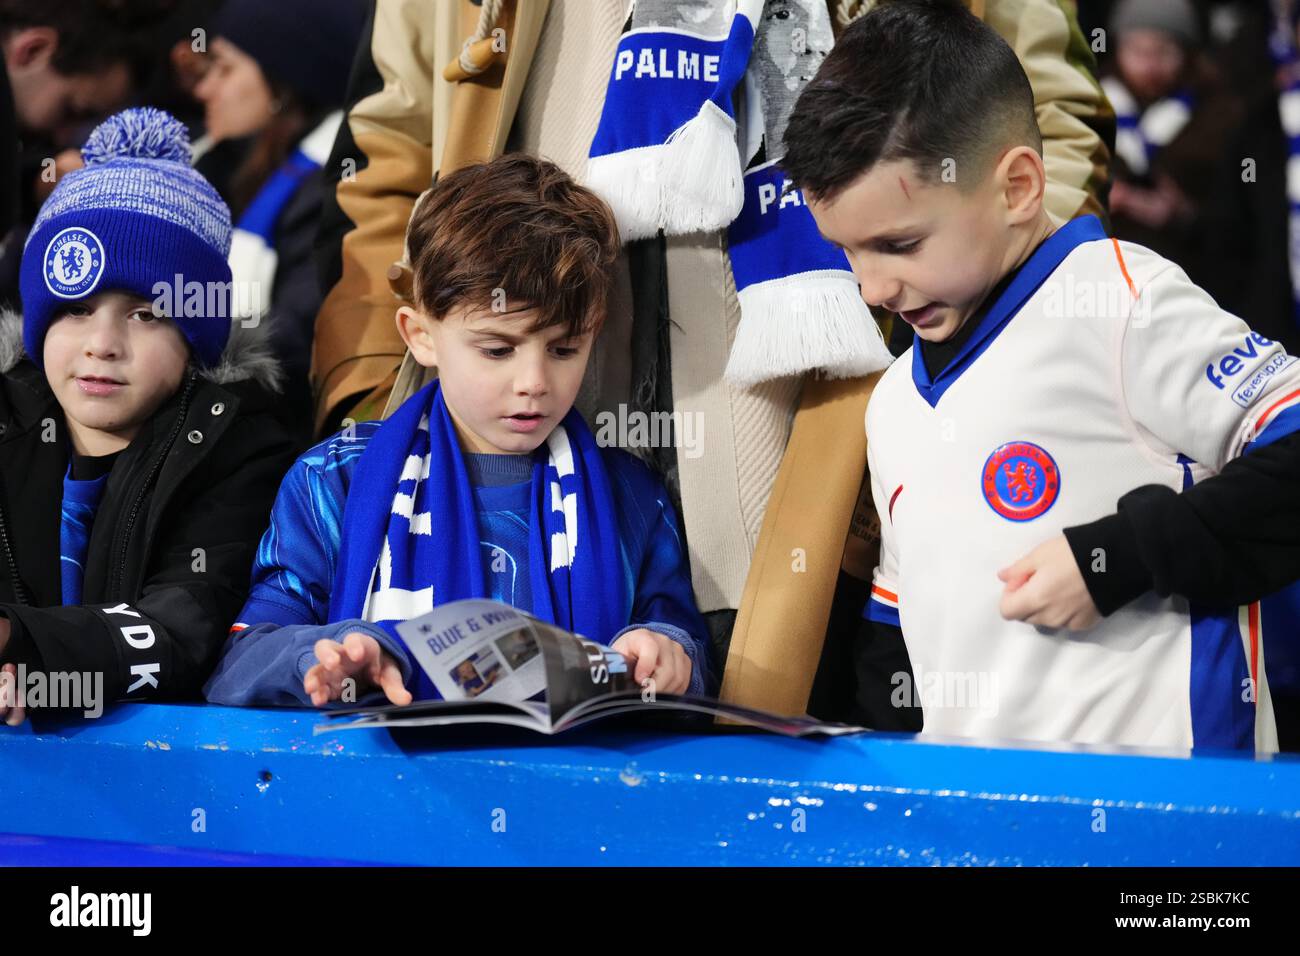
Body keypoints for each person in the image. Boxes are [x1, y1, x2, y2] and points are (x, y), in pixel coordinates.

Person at [782, 0, 1300, 751]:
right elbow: (894, 647)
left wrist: (1118, 556)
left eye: (899, 243)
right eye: (848, 252)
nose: (871, 288)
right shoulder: (892, 401)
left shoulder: (1119, 301)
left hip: (1161, 829)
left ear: (1020, 186)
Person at [203, 153, 710, 708]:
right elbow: (243, 659)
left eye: (565, 349)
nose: (535, 382)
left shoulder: (630, 494)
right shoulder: (334, 480)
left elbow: (682, 642)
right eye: (497, 349)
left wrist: (666, 650)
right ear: (420, 335)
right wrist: (333, 655)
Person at [0, 108, 297, 725]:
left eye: (146, 314)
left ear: (198, 338)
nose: (103, 344)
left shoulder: (239, 446)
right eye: (76, 308)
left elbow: (183, 631)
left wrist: (18, 646)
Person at [193, 0, 367, 436]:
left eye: (224, 69)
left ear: (283, 86)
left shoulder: (330, 191)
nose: (204, 88)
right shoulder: (233, 170)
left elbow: (286, 344)